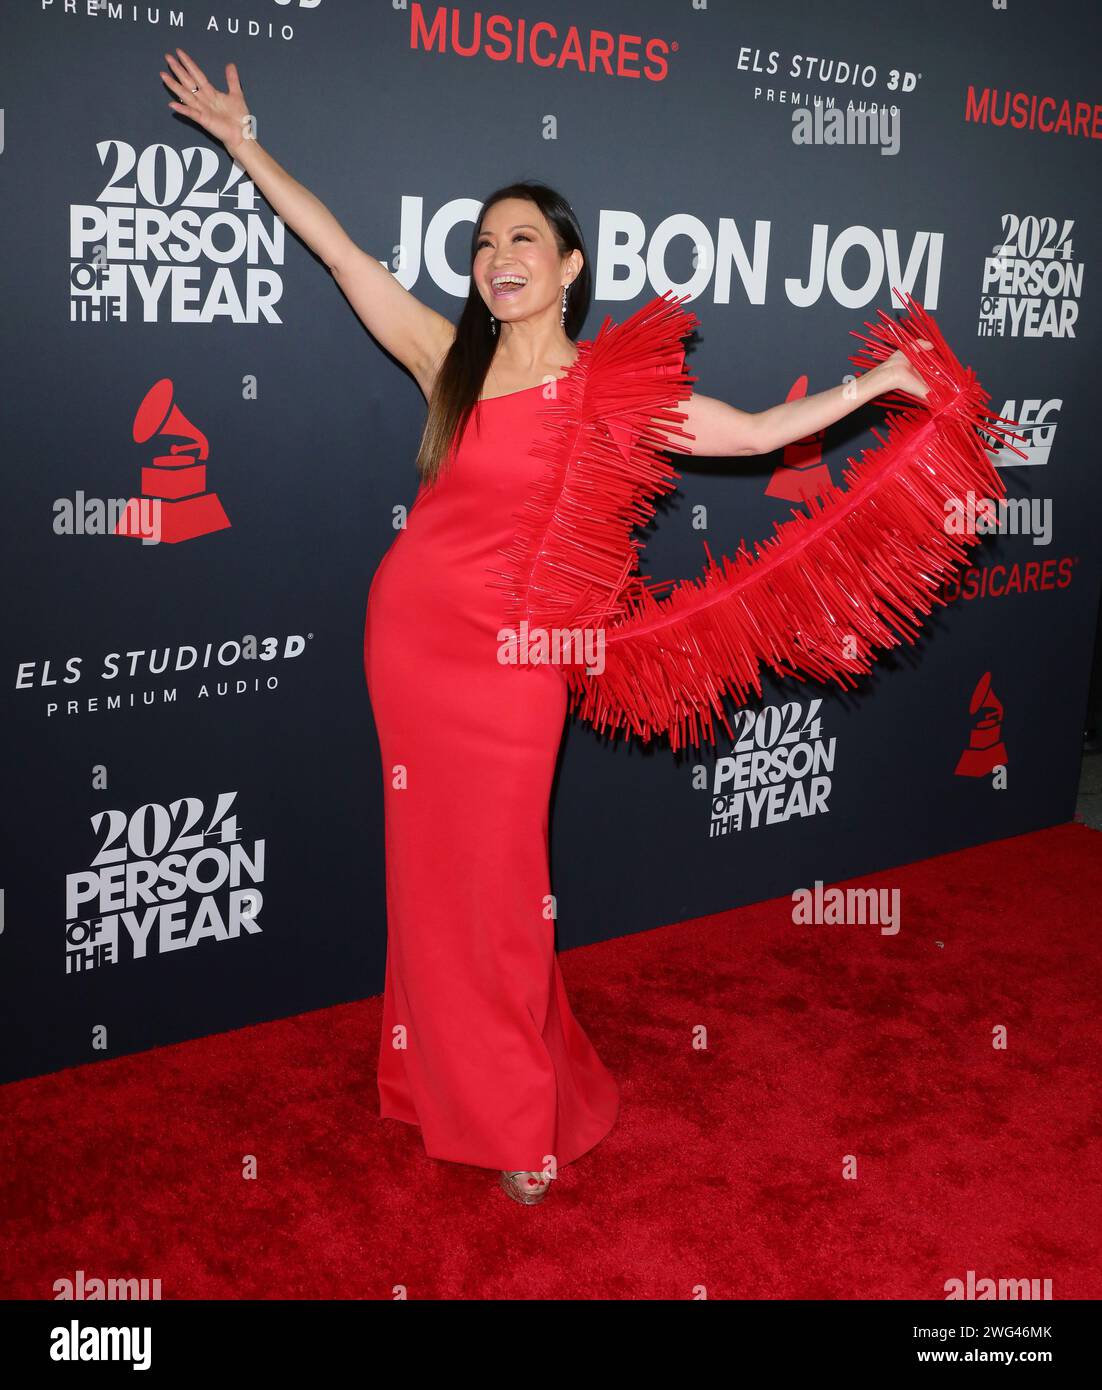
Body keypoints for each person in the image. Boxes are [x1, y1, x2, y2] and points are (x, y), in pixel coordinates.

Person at [160, 48, 935, 1205]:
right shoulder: (448, 363)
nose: (497, 257)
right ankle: (441, 1085)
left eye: (523, 238)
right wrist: (241, 138)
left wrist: (875, 391)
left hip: (516, 666)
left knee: (504, 881)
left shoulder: (615, 394)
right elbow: (336, 251)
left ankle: (517, 1105)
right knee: (429, 876)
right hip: (407, 640)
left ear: (570, 266)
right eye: (483, 243)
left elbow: (756, 435)